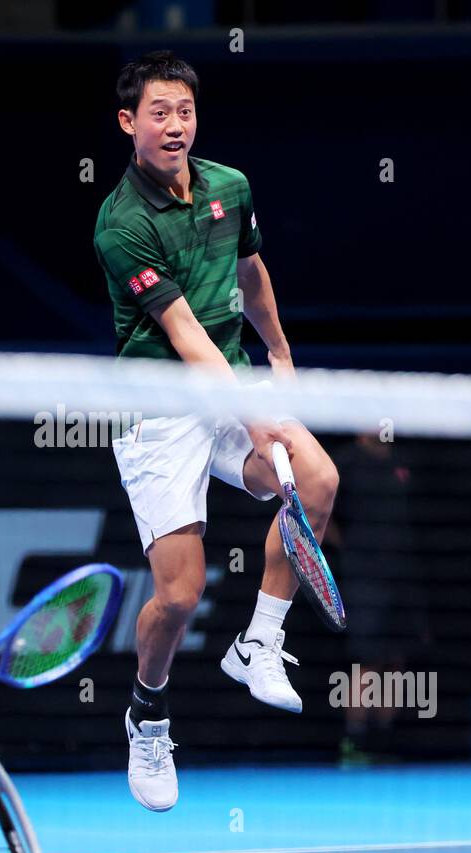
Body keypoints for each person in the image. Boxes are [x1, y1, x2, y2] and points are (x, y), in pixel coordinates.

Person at [93, 51, 339, 811]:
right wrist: (255, 410)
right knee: (179, 594)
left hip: (231, 377)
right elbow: (186, 334)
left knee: (320, 480)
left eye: (185, 111)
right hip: (159, 410)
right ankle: (148, 711)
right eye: (158, 113)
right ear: (129, 123)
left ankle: (258, 641)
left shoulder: (229, 186)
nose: (174, 126)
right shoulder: (119, 225)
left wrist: (280, 349)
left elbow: (251, 271)